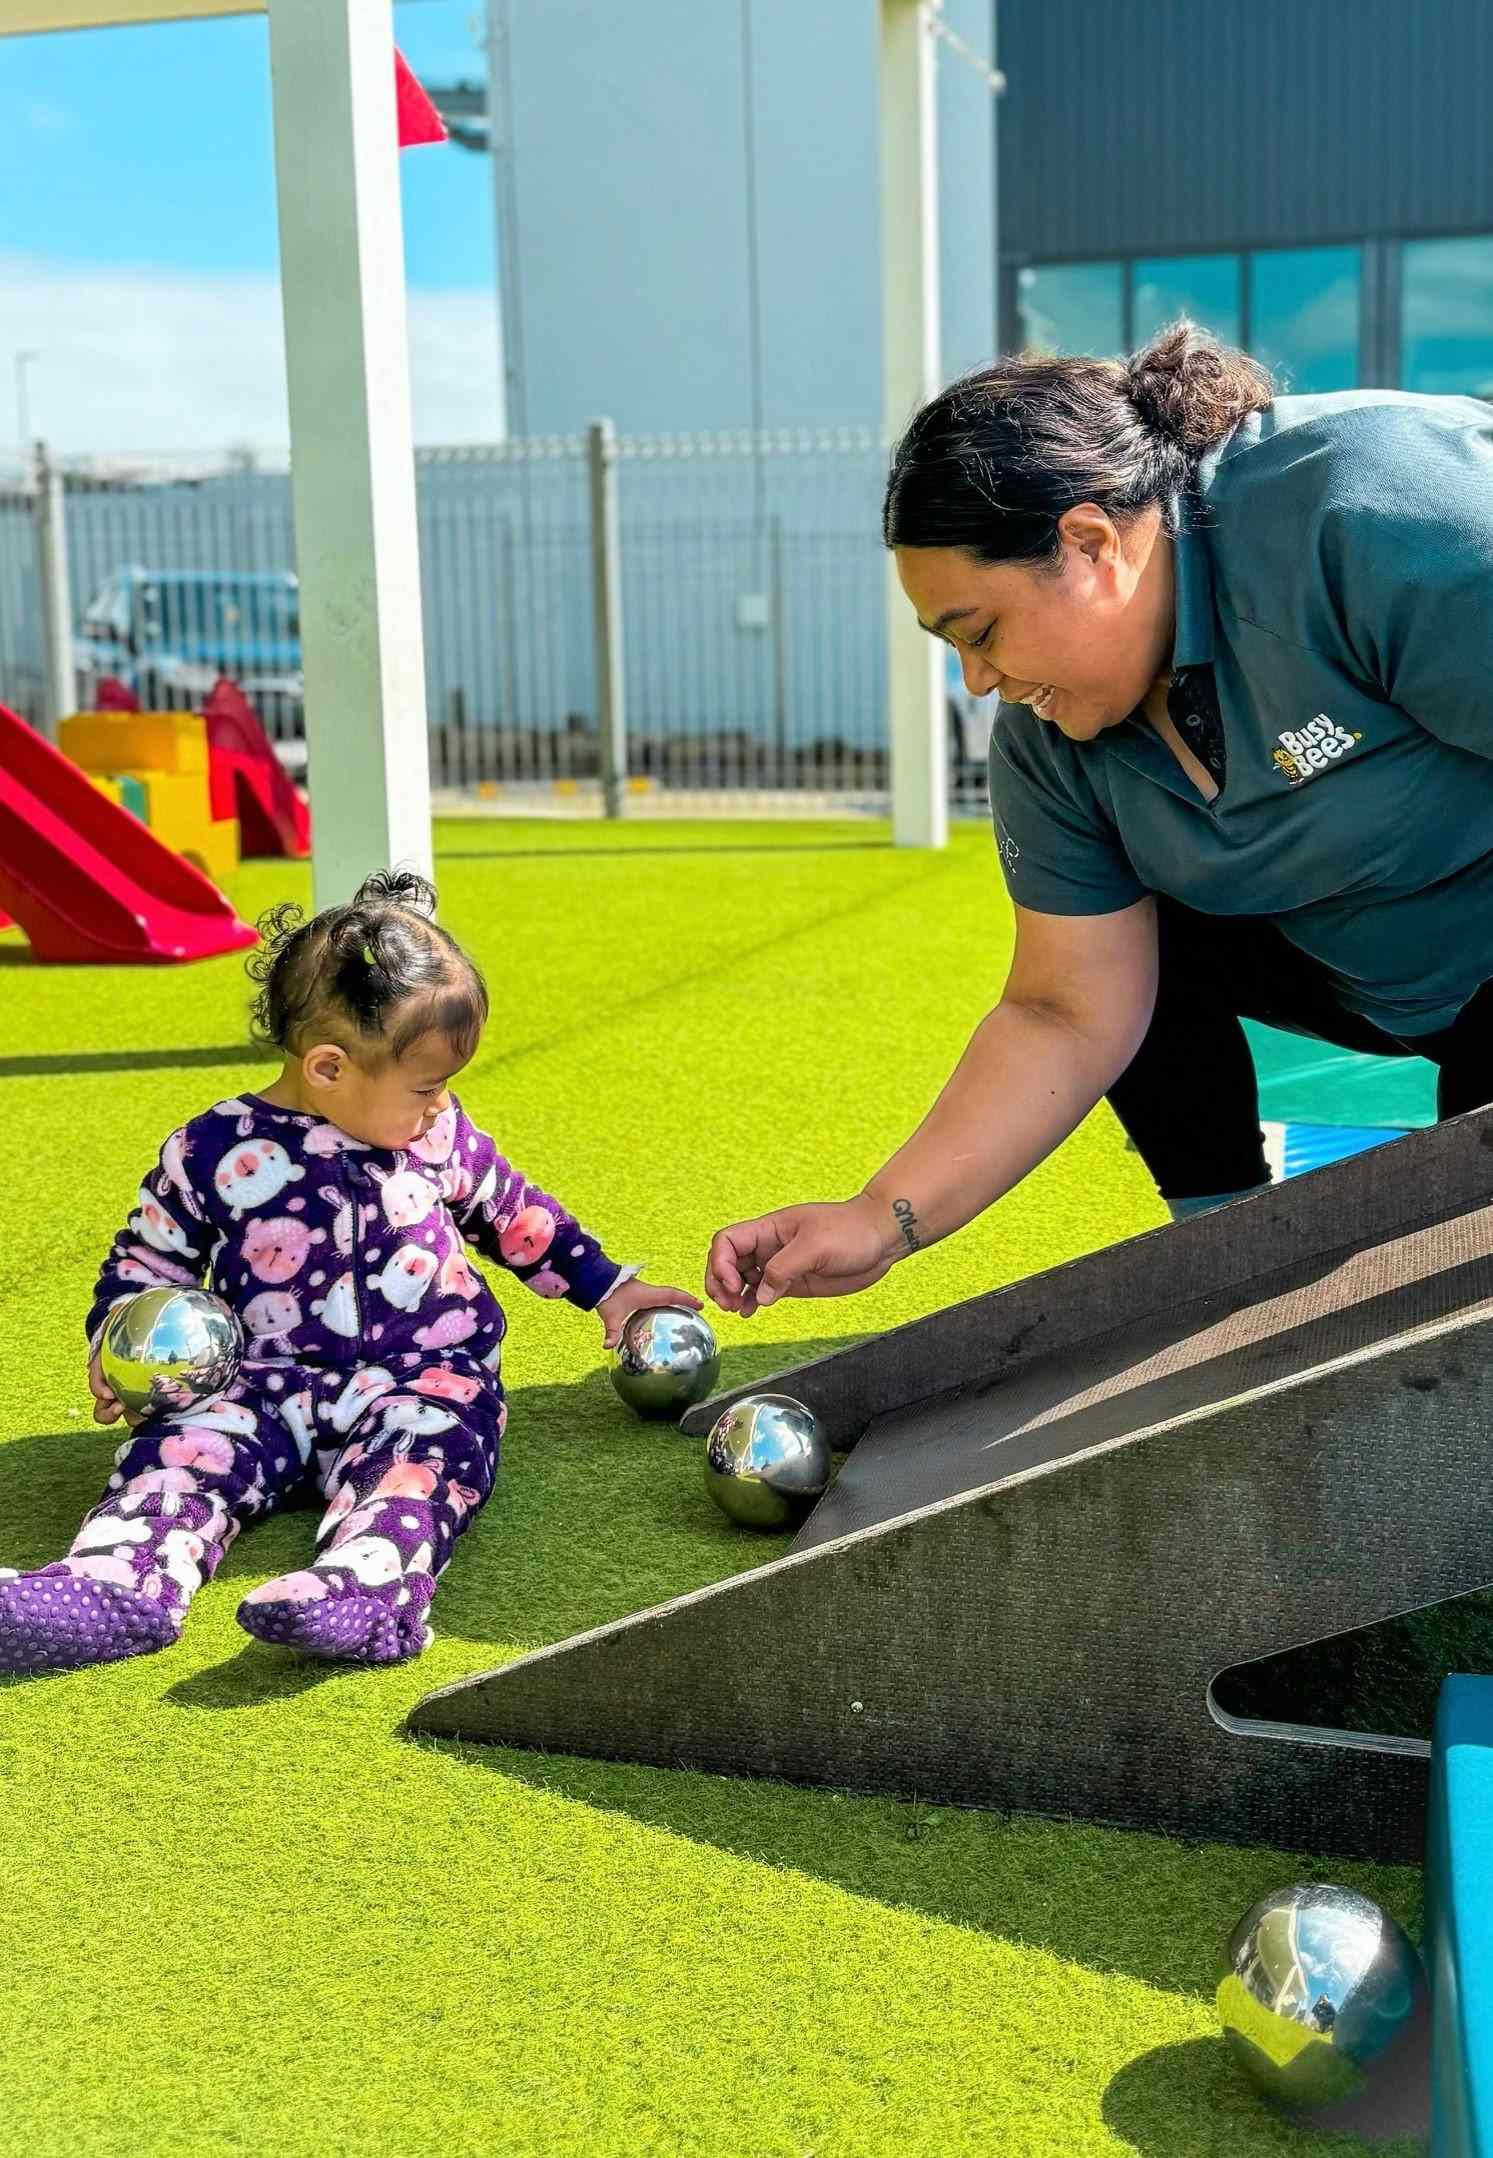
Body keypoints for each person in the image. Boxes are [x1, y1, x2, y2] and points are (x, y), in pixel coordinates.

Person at [705, 321, 1493, 1317]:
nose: (977, 681)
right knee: (1142, 944)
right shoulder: (1049, 738)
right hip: (1370, 979)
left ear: (1088, 543)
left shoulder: (1379, 513)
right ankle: (1227, 1263)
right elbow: (1065, 1009)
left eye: (980, 631)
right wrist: (878, 1217)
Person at [0, 870, 699, 1674]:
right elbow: (146, 1262)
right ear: (328, 1068)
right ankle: (118, 1586)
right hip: (256, 1385)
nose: (439, 1105)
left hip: (420, 1377)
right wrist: (118, 1350)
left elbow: (514, 1214)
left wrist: (609, 1287)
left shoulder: (437, 1137)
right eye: (426, 1086)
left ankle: (367, 1589)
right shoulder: (211, 1149)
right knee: (173, 1462)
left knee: (422, 1466)